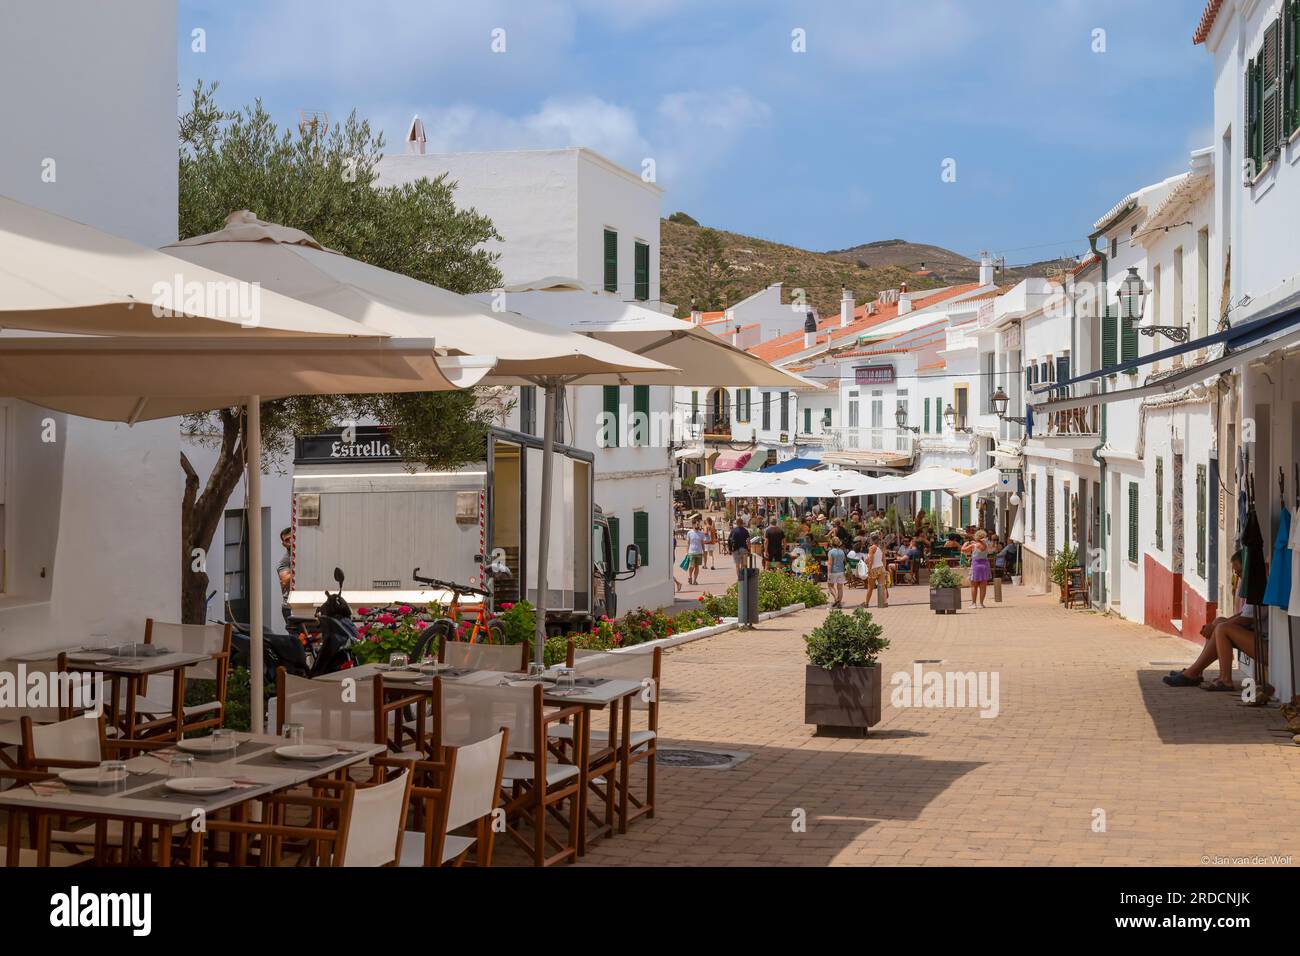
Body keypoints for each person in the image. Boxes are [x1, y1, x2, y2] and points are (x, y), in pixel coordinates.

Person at [1164, 553, 1257, 690]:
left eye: (1240, 572)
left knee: (1221, 628)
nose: (1239, 577)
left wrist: (1215, 627)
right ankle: (1196, 671)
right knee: (1219, 622)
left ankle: (1222, 679)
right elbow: (1244, 615)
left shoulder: (1257, 587)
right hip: (1253, 635)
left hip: (1263, 644)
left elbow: (1246, 619)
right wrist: (1215, 625)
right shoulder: (1251, 586)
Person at [962, 529, 992, 607]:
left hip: (976, 565)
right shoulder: (986, 545)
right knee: (983, 586)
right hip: (985, 565)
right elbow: (991, 550)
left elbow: (963, 550)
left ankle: (974, 603)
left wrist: (965, 543)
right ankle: (981, 603)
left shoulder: (973, 545)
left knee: (974, 586)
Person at [862, 533, 888, 608]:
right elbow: (883, 559)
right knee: (882, 586)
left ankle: (866, 603)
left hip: (873, 568)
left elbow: (871, 561)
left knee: (870, 587)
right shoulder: (882, 547)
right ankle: (885, 602)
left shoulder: (872, 548)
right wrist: (884, 568)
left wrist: (869, 569)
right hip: (881, 567)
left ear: (872, 540)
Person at [277, 527, 294, 623]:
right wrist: (299, 568)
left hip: (304, 604)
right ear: (284, 544)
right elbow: (284, 580)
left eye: (292, 537)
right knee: (295, 637)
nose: (290, 541)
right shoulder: (284, 561)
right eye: (287, 540)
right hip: (289, 607)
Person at [826, 539, 848, 607]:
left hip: (833, 571)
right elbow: (844, 561)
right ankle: (839, 603)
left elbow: (830, 563)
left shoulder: (831, 552)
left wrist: (828, 573)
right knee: (840, 588)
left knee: (830, 586)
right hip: (841, 571)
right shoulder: (842, 551)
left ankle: (836, 599)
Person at [685, 517, 706, 586]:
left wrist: (704, 551)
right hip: (691, 552)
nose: (698, 525)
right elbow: (688, 543)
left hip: (699, 552)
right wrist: (686, 552)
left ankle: (694, 580)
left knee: (697, 567)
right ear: (693, 525)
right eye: (697, 524)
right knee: (691, 566)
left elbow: (702, 543)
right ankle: (690, 576)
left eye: (698, 524)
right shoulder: (689, 533)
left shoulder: (701, 533)